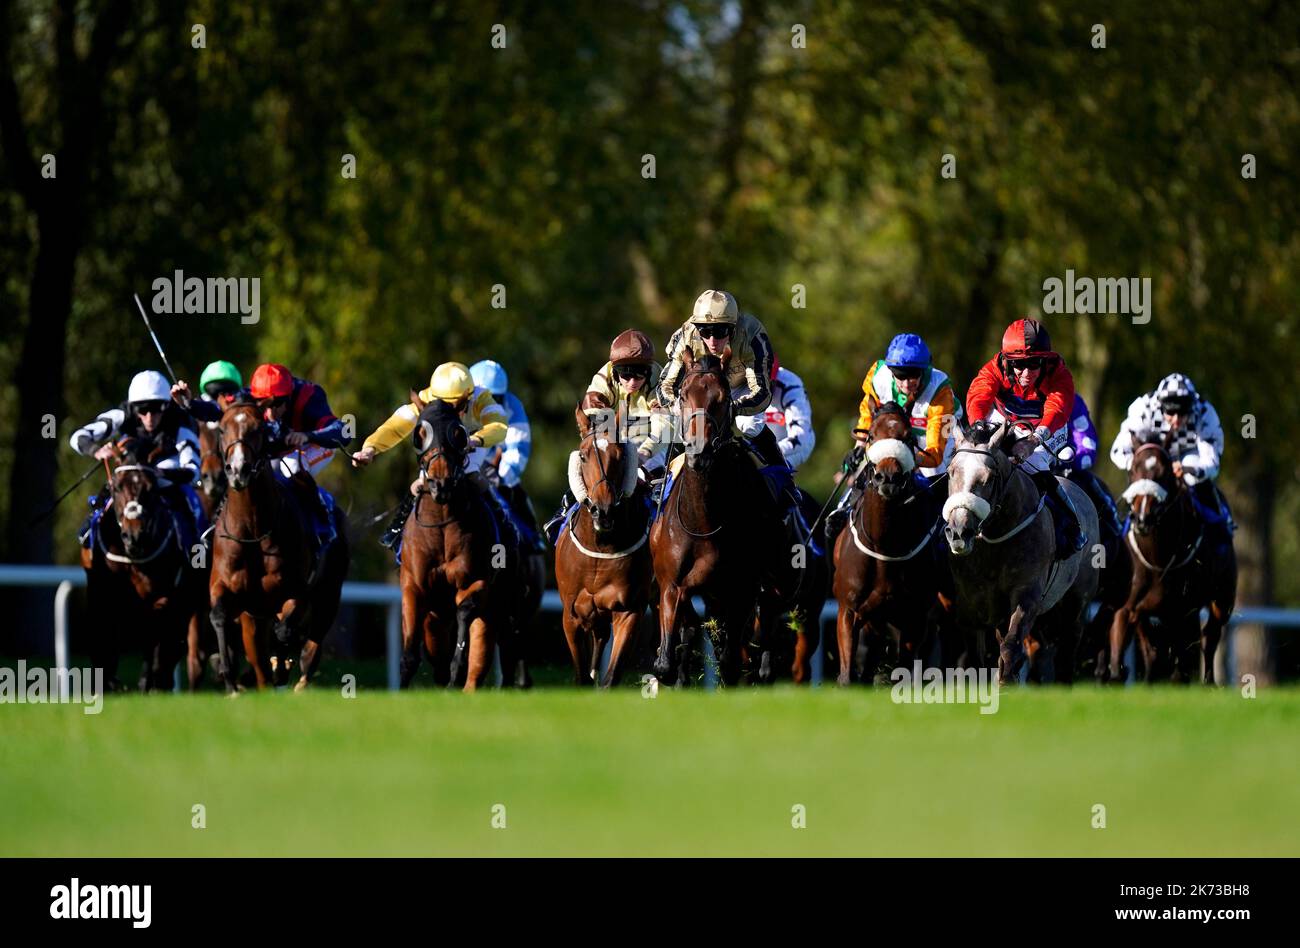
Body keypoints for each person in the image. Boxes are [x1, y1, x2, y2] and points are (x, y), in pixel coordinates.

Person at [352, 361, 514, 552]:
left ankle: (502, 524)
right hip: (442, 444)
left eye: (457, 405)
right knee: (424, 478)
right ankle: (397, 527)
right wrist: (370, 448)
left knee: (469, 469)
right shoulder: (425, 399)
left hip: (473, 440)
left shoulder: (481, 397)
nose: (452, 410)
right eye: (446, 405)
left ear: (468, 397)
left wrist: (474, 440)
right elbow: (394, 427)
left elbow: (499, 426)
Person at [965, 317, 1088, 557]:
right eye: (1018, 364)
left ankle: (1071, 525)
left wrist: (1033, 441)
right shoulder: (993, 368)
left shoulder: (1060, 375)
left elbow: (1057, 409)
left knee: (1035, 464)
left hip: (1045, 426)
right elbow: (978, 395)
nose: (1026, 372)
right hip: (1003, 419)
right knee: (973, 459)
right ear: (1007, 361)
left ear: (1046, 360)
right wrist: (978, 426)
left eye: (1034, 363)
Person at [824, 332, 959, 543]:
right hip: (895, 433)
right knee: (866, 466)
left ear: (925, 371)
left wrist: (907, 461)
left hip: (933, 438)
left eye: (913, 375)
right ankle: (842, 509)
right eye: (900, 375)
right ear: (890, 370)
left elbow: (934, 452)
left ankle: (945, 531)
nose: (906, 383)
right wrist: (859, 448)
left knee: (934, 475)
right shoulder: (878, 376)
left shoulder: (940, 391)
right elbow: (868, 415)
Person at [543, 329, 669, 543]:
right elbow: (596, 428)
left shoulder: (661, 380)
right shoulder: (603, 379)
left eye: (639, 374)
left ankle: (661, 525)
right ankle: (563, 513)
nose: (632, 381)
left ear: (649, 371)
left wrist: (645, 451)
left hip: (654, 442)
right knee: (590, 466)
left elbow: (664, 426)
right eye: (625, 374)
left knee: (652, 478)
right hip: (615, 439)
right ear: (615, 370)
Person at [70, 369, 204, 551]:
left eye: (157, 409)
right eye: (143, 410)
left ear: (166, 405)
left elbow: (193, 470)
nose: (150, 417)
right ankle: (94, 534)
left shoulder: (180, 421)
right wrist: (96, 450)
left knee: (188, 518)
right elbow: (78, 437)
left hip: (165, 480)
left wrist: (159, 473)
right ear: (134, 408)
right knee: (108, 498)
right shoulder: (121, 415)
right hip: (128, 480)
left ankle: (195, 553)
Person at [657, 288, 783, 467]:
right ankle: (663, 483)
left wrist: (732, 407)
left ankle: (782, 475)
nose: (712, 340)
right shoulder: (686, 336)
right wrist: (678, 407)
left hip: (742, 385)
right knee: (680, 426)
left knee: (749, 425)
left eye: (720, 331)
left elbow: (762, 392)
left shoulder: (751, 335)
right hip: (704, 390)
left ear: (733, 328)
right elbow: (665, 386)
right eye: (705, 331)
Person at [1109, 372, 1233, 541]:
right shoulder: (1143, 408)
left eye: (1182, 414)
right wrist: (1137, 465)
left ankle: (1217, 524)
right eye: (1171, 412)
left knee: (1192, 476)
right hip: (1153, 459)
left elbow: (1212, 463)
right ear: (1160, 406)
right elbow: (1118, 450)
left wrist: (1187, 469)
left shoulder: (1205, 414)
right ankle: (1120, 531)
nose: (1176, 420)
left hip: (1189, 457)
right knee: (1143, 476)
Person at [247, 363, 351, 548]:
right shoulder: (251, 396)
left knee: (293, 465)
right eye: (264, 405)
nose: (270, 413)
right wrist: (189, 404)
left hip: (314, 445)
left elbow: (344, 432)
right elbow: (216, 406)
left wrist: (308, 435)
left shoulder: (310, 395)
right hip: (280, 450)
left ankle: (320, 525)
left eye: (277, 404)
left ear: (288, 397)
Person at [468, 360, 544, 551]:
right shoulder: (456, 404)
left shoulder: (513, 407)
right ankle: (398, 530)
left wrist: (501, 477)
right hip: (461, 469)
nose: (490, 404)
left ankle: (532, 538)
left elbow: (518, 449)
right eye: (485, 397)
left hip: (496, 469)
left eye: (496, 398)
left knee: (516, 495)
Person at [1059, 393, 1122, 540]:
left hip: (1066, 469)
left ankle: (1111, 525)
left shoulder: (1072, 401)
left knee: (1088, 483)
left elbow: (1086, 441)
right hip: (1025, 465)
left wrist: (1071, 460)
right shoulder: (1011, 395)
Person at [764, 353, 816, 471]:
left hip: (799, 443)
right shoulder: (739, 382)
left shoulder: (791, 385)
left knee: (770, 473)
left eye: (767, 385)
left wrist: (765, 452)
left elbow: (800, 436)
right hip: (765, 445)